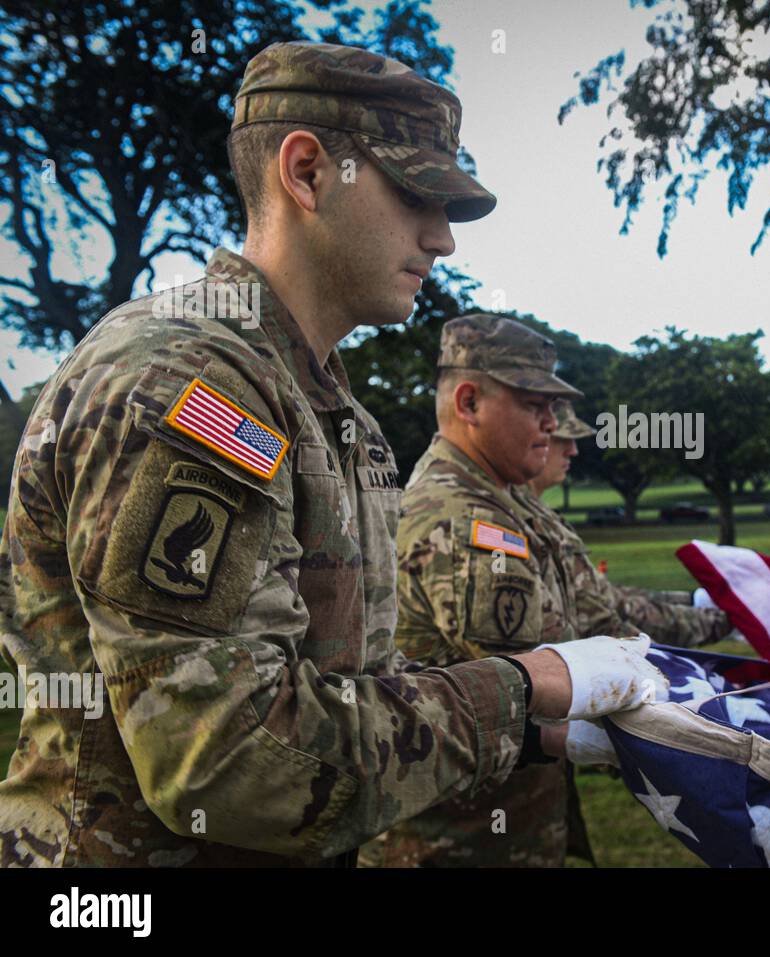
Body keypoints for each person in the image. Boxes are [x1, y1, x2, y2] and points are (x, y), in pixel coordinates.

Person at [0, 41, 659, 868]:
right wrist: (524, 686)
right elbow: (231, 764)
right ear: (307, 172)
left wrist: (538, 736)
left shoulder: (331, 414)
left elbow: (352, 694)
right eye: (418, 194)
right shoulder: (186, 383)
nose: (443, 238)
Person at [363, 316, 719, 868]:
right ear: (469, 403)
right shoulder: (464, 520)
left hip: (504, 825)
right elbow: (548, 678)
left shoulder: (500, 498)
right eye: (535, 405)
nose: (554, 424)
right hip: (458, 844)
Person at [521, 400, 732, 648]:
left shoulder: (541, 518)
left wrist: (694, 601)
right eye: (560, 438)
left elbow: (608, 597)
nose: (573, 451)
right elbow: (597, 619)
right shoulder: (518, 523)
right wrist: (720, 623)